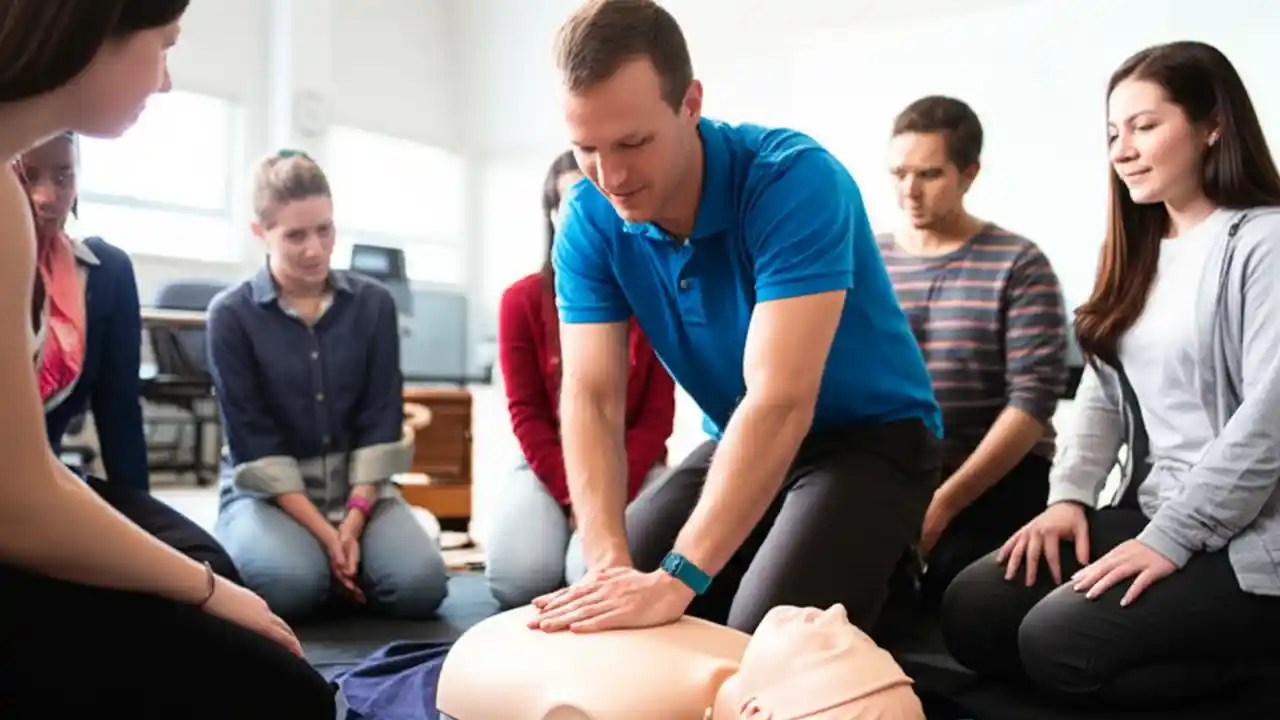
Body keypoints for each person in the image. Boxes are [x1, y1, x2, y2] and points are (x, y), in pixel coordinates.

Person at [530, 0, 943, 637]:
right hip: (736, 437)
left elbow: (780, 399)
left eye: (633, 143)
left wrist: (677, 579)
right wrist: (608, 563)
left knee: (759, 633)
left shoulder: (793, 180)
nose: (610, 176)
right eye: (586, 148)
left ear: (690, 103)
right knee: (604, 605)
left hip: (869, 441)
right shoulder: (588, 215)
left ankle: (888, 568)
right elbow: (591, 395)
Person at [0, 2, 334, 717]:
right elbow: (18, 503)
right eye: (165, 43)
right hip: (19, 516)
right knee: (283, 690)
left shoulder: (8, 197)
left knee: (218, 585)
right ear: (95, 27)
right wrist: (205, 590)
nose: (167, 79)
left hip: (33, 498)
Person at [941, 40, 1280, 709]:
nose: (1121, 149)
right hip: (1152, 511)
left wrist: (1173, 542)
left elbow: (1268, 421)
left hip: (1247, 537)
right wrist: (1068, 498)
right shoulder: (1135, 248)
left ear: (1213, 124)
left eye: (1145, 126)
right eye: (1112, 132)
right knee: (973, 613)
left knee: (1055, 643)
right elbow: (1100, 389)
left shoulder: (1265, 243)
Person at [208, 151, 449, 622]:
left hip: (360, 491)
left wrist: (352, 524)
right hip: (268, 493)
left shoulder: (374, 305)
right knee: (288, 585)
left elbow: (381, 422)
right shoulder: (230, 316)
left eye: (325, 229)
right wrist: (327, 534)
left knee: (420, 585)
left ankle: (337, 566)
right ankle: (322, 564)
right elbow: (253, 441)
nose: (315, 249)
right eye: (295, 235)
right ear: (261, 233)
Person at [17, 131, 241, 583]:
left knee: (207, 567)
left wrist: (139, 533)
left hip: (52, 484)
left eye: (64, 175)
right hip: (12, 500)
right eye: (27, 177)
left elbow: (118, 414)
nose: (47, 197)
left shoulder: (105, 272)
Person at [877, 96, 1068, 613]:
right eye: (899, 173)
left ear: (969, 174)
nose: (909, 191)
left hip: (996, 478)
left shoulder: (1019, 264)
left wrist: (944, 502)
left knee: (958, 594)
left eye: (929, 174)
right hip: (893, 471)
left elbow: (1030, 408)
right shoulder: (869, 261)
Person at [486, 149, 677, 609]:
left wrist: (610, 490)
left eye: (596, 198)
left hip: (635, 464)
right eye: (568, 202)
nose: (584, 214)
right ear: (551, 215)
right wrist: (576, 494)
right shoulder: (521, 300)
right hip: (545, 462)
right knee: (518, 580)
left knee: (589, 574)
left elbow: (657, 418)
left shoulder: (653, 297)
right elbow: (526, 413)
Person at [437, 602, 923, 719]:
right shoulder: (745, 665)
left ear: (757, 712)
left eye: (832, 650)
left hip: (488, 660)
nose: (837, 613)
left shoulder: (632, 703)